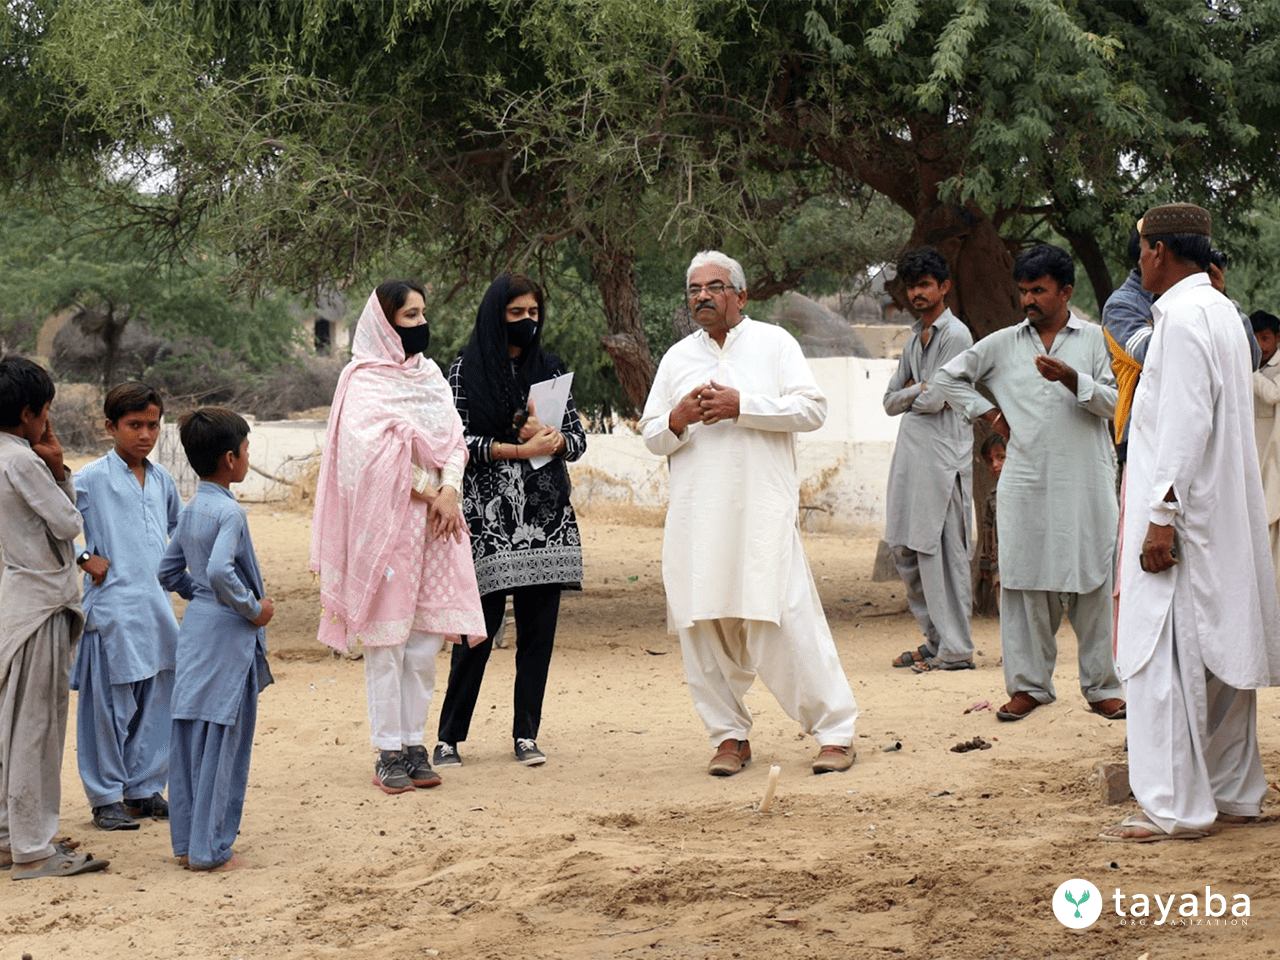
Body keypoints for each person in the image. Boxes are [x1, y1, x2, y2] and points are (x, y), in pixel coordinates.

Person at [638, 250, 859, 776]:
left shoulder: (775, 345)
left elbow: (812, 409)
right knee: (704, 623)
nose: (703, 297)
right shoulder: (676, 359)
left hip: (761, 514)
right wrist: (678, 416)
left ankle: (835, 732)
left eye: (715, 287)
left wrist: (745, 405)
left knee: (782, 620)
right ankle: (730, 737)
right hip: (697, 517)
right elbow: (651, 435)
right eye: (694, 289)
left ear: (741, 295)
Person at [1102, 203, 1280, 841]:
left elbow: (1181, 425)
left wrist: (1159, 519)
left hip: (1181, 520)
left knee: (1164, 659)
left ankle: (1175, 808)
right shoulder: (1226, 315)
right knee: (1220, 660)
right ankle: (1235, 793)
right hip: (1222, 515)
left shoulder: (1177, 317)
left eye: (1143, 249)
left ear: (1157, 251)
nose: (1140, 260)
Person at [935, 243, 1125, 723]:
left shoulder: (1098, 340)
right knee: (1022, 585)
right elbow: (949, 378)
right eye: (1023, 291)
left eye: (1038, 291)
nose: (1028, 301)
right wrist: (989, 414)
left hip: (1085, 481)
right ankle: (1029, 688)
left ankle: (1103, 686)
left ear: (1065, 291)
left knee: (1093, 582)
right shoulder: (1002, 343)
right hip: (1026, 482)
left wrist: (1071, 379)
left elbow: (1117, 402)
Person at [312, 281, 486, 793]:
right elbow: (363, 459)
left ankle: (415, 742)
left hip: (438, 529)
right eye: (410, 316)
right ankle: (387, 749)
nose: (420, 325)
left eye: (422, 314)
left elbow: (452, 439)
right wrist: (429, 491)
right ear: (386, 322)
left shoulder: (429, 375)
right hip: (386, 532)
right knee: (386, 644)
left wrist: (450, 489)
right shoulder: (362, 380)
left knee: (425, 645)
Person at [434, 273, 586, 769]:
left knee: (538, 638)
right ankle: (449, 738)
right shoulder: (464, 371)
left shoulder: (551, 371)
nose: (527, 322)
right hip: (491, 526)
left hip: (547, 523)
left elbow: (579, 441)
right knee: (476, 633)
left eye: (534, 313)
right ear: (496, 314)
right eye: (516, 313)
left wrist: (556, 440)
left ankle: (526, 735)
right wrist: (519, 448)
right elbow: (456, 445)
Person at [0, 356, 108, 880]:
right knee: (35, 731)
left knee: (14, 727)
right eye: (44, 411)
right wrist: (59, 467)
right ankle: (33, 849)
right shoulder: (20, 460)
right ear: (28, 414)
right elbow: (68, 522)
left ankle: (10, 837)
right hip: (39, 605)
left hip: (15, 603)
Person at [159, 408, 273, 870]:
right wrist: (252, 608)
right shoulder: (230, 511)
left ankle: (187, 844)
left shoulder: (191, 509)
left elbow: (167, 571)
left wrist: (200, 596)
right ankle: (210, 849)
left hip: (198, 630)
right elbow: (219, 570)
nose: (247, 458)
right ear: (230, 458)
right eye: (245, 451)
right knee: (224, 737)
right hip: (228, 635)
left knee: (189, 735)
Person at [71, 382, 182, 832]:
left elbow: (176, 529)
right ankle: (105, 797)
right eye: (134, 425)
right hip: (112, 609)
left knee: (158, 699)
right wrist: (83, 557)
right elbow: (55, 527)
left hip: (156, 609)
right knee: (108, 709)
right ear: (110, 427)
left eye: (153, 425)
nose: (145, 434)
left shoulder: (161, 480)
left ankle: (142, 789)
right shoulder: (90, 478)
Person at [882, 247, 975, 673]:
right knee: (905, 547)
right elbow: (888, 402)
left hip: (942, 460)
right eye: (912, 286)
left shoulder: (956, 335)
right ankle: (935, 639)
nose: (917, 294)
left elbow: (938, 398)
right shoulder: (912, 339)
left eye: (925, 285)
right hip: (910, 458)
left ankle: (955, 650)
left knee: (939, 552)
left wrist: (916, 392)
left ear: (944, 287)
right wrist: (917, 390)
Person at [1251, 310, 1280, 600]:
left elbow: (1272, 395)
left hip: (1274, 467)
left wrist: (1248, 373)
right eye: (1255, 339)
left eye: (1266, 338)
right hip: (1254, 465)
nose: (1260, 345)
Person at [974, 433, 1005, 613]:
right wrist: (985, 562)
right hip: (999, 565)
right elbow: (988, 530)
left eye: (1001, 457)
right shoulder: (992, 497)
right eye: (990, 460)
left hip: (1025, 564)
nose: (995, 465)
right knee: (1006, 607)